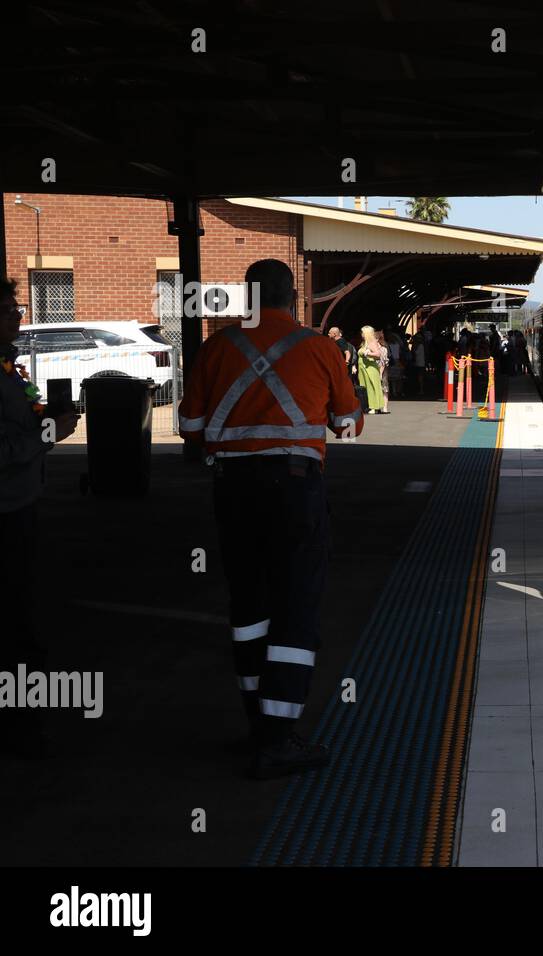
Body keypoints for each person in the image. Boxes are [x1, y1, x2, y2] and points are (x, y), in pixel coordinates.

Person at [179, 259, 364, 779]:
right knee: (295, 607)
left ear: (248, 297)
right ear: (292, 298)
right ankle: (279, 736)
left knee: (249, 608)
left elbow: (191, 427)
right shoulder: (320, 347)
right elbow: (347, 422)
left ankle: (257, 727)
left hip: (233, 491)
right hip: (295, 488)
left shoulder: (215, 348)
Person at [0, 278, 79, 758]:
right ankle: (20, 729)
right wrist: (47, 434)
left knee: (23, 615)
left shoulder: (9, 367)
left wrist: (44, 418)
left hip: (20, 503)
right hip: (5, 511)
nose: (17, 315)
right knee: (15, 623)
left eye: (17, 307)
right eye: (7, 309)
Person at [358, 326, 386, 414]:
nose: (361, 334)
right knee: (366, 387)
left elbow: (378, 354)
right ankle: (369, 405)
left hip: (370, 368)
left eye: (362, 332)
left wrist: (368, 353)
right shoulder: (364, 343)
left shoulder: (371, 342)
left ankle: (374, 406)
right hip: (364, 368)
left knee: (372, 386)